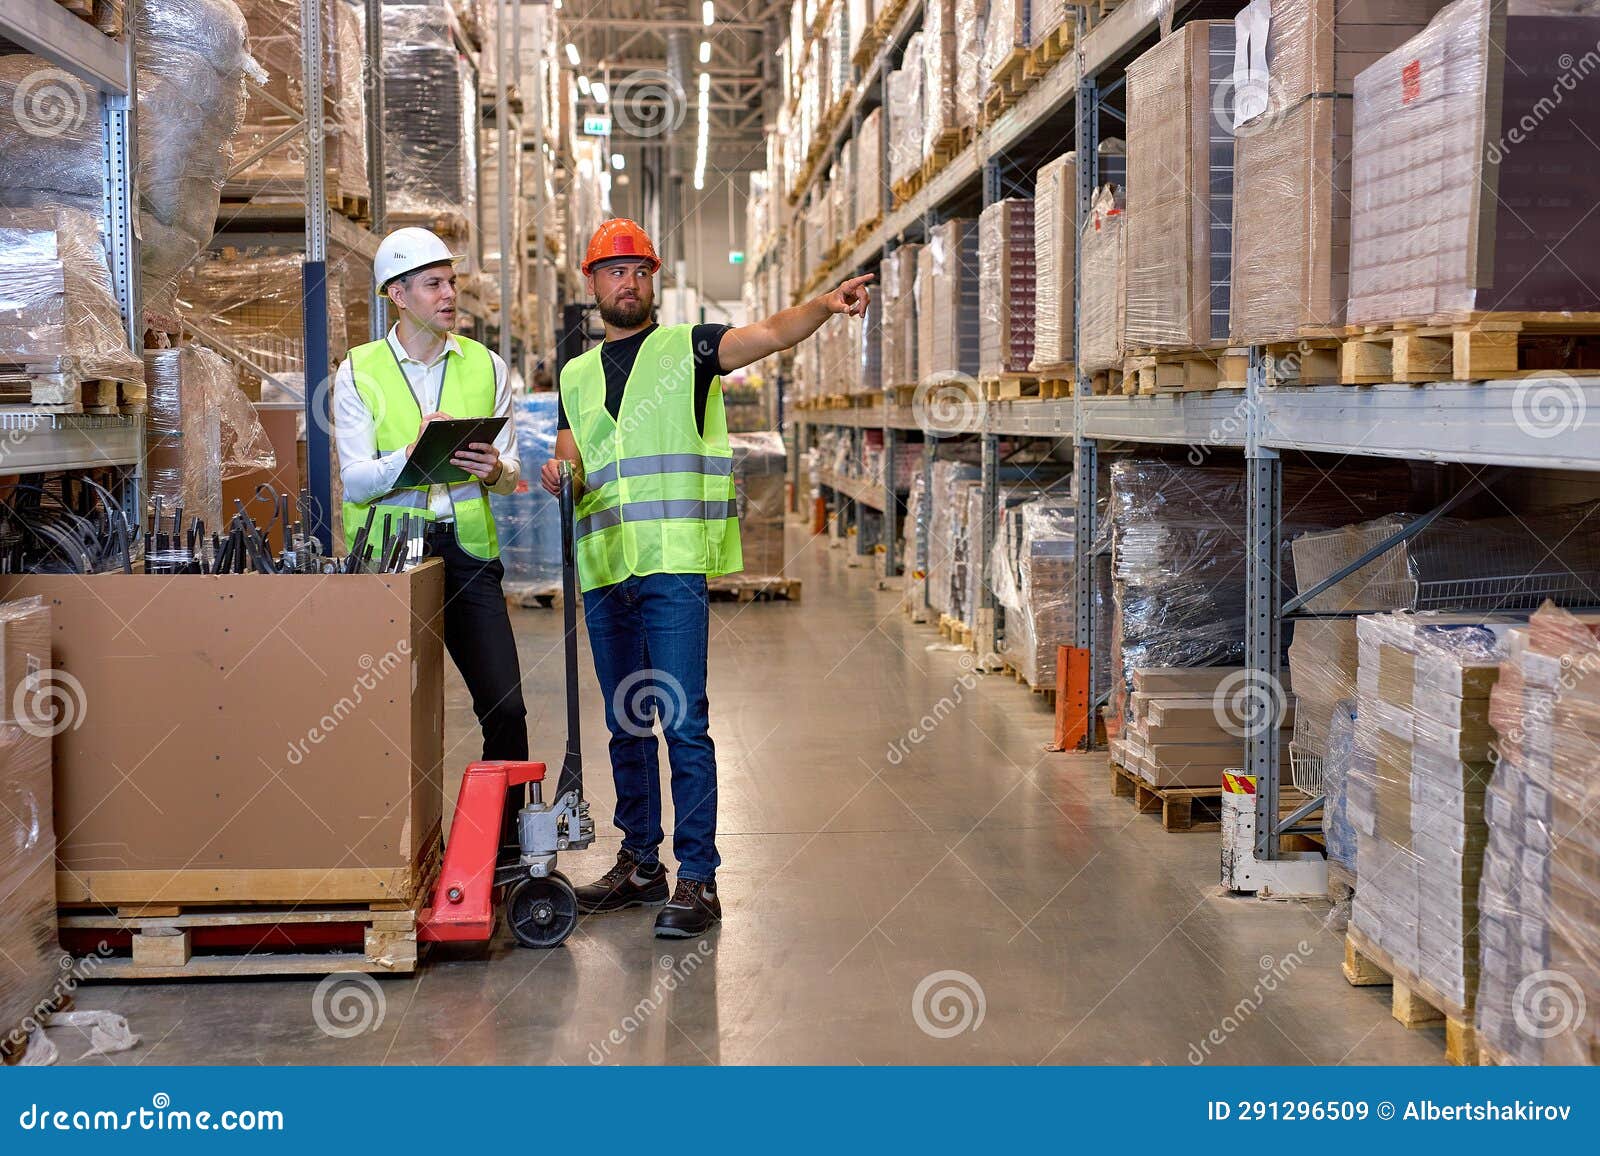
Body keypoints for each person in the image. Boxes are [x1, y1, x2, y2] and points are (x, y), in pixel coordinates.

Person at [541, 218, 872, 938]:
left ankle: (699, 878)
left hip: (673, 566)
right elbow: (573, 460)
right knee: (625, 722)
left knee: (684, 721)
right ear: (592, 282)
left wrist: (824, 305)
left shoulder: (689, 349)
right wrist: (559, 475)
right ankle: (639, 864)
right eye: (615, 271)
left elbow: (770, 334)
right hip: (606, 569)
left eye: (640, 270)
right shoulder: (574, 374)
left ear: (651, 280)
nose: (629, 282)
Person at [334, 226, 528, 850]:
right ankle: (393, 849)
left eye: (451, 282)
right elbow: (356, 480)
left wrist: (495, 470)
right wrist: (410, 454)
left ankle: (503, 852)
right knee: (390, 715)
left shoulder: (488, 366)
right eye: (433, 284)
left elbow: (510, 469)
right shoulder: (358, 371)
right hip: (392, 562)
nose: (449, 295)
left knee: (505, 708)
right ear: (397, 294)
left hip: (468, 556)